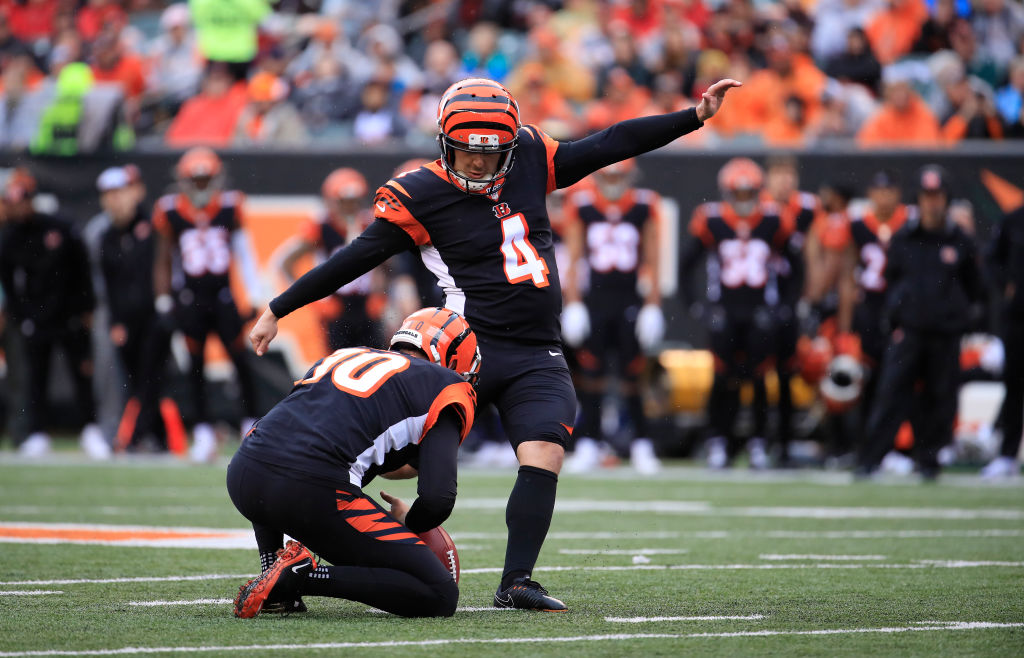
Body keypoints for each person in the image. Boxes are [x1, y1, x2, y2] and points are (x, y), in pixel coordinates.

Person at [249, 76, 741, 610]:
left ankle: (516, 581)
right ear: (444, 142)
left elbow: (610, 143)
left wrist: (692, 116)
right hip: (462, 349)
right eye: (467, 153)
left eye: (491, 154)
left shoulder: (530, 154)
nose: (480, 165)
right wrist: (279, 308)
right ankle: (288, 554)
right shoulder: (420, 193)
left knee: (545, 451)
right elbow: (354, 258)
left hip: (536, 348)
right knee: (398, 461)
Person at [229, 307, 479, 618]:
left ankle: (272, 567)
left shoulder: (347, 354)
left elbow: (296, 434)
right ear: (453, 359)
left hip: (244, 470)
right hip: (310, 490)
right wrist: (410, 523)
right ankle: (298, 578)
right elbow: (438, 499)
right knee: (439, 593)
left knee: (281, 451)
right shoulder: (446, 385)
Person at [856, 165, 985, 480]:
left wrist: (961, 318)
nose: (932, 203)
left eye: (937, 195)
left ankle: (929, 459)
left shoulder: (959, 241)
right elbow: (891, 280)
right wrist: (897, 317)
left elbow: (975, 287)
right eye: (927, 196)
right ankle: (872, 459)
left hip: (945, 331)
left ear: (946, 198)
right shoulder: (904, 238)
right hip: (910, 330)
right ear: (919, 199)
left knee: (940, 398)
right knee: (892, 394)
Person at [153, 147, 265, 462]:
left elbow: (244, 252)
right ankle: (202, 432)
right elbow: (164, 258)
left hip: (223, 297)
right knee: (195, 366)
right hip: (190, 299)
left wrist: (254, 293)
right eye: (196, 180)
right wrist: (164, 299)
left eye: (206, 180)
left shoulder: (231, 207)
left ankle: (250, 425)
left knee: (240, 361)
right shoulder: (170, 210)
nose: (201, 186)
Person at [681, 158, 793, 470]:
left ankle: (758, 443)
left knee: (758, 379)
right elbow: (686, 264)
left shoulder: (773, 220)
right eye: (738, 194)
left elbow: (794, 266)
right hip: (725, 311)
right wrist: (696, 305)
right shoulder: (712, 220)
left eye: (748, 194)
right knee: (722, 378)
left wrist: (785, 305)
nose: (743, 201)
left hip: (759, 310)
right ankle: (719, 441)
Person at [560, 159, 664, 475]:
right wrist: (574, 302)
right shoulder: (583, 206)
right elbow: (574, 260)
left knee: (633, 374)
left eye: (620, 175)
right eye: (609, 175)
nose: (614, 182)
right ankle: (589, 442)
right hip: (596, 300)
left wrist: (652, 304)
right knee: (592, 374)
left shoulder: (644, 206)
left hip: (630, 298)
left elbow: (653, 260)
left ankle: (642, 443)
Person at [0, 168, 109, 459]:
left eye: (22, 200)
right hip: (36, 318)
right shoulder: (9, 236)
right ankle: (37, 432)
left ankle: (91, 428)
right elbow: (9, 282)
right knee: (36, 376)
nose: (17, 206)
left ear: (32, 199)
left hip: (70, 314)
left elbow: (82, 267)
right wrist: (21, 315)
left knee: (82, 373)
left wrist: (87, 308)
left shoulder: (59, 227)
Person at [95, 167, 185, 454]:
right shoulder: (106, 236)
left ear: (133, 192)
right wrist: (116, 322)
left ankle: (136, 437)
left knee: (150, 378)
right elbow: (111, 286)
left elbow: (166, 268)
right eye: (109, 195)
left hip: (155, 317)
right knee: (139, 380)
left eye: (119, 193)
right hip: (128, 322)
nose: (115, 200)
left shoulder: (153, 226)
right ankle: (156, 438)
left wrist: (167, 307)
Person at [277, 167, 389, 351]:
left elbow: (386, 265)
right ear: (332, 201)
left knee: (375, 362)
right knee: (337, 365)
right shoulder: (321, 227)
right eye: (344, 202)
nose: (349, 208)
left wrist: (381, 295)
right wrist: (313, 300)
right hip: (336, 306)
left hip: (366, 304)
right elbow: (287, 263)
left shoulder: (370, 223)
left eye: (353, 202)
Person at [981, 201, 1024, 478]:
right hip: (1020, 316)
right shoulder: (1014, 220)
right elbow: (992, 259)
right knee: (1015, 385)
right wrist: (1007, 284)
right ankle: (1008, 454)